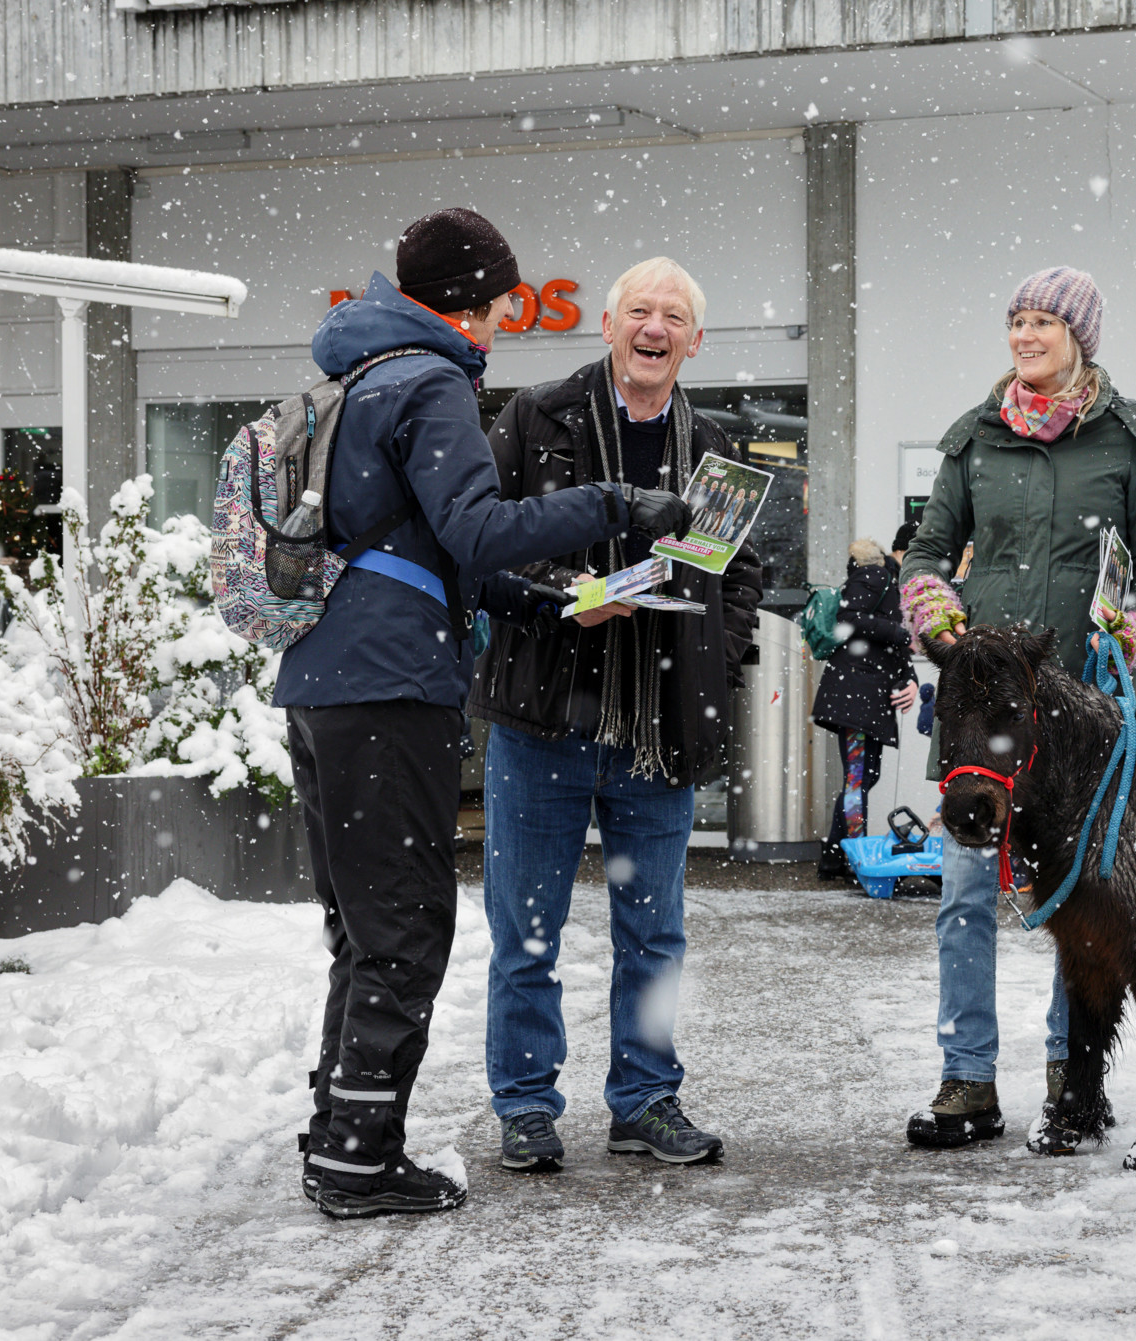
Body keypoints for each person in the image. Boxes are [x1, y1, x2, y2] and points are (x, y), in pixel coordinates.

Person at [279, 209, 694, 1221]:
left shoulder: (356, 370)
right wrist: (608, 506)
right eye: (504, 295)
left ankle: (341, 1132)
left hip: (327, 674)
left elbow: (427, 542)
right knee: (405, 927)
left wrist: (560, 594)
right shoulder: (426, 377)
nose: (510, 313)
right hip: (386, 683)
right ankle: (355, 1162)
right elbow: (474, 532)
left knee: (363, 925)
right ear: (474, 292)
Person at [469, 257, 763, 1174]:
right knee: (526, 928)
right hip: (543, 716)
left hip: (659, 725)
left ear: (695, 340)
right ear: (607, 324)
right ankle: (525, 1105)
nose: (656, 327)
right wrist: (567, 595)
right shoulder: (534, 416)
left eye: (675, 315)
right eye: (641, 309)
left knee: (655, 930)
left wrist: (720, 654)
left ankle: (644, 1097)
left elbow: (739, 578)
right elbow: (477, 546)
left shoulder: (716, 444)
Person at [899, 265, 1136, 1151]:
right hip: (988, 711)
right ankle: (968, 1078)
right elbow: (929, 551)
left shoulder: (1129, 443)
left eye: (1043, 323)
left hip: (1089, 716)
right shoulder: (974, 438)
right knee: (966, 892)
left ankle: (1075, 1072)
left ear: (1080, 337)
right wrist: (933, 607)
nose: (1026, 336)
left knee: (1085, 901)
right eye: (1016, 320)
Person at [812, 537, 919, 882]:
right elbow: (849, 616)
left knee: (864, 777)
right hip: (856, 691)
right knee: (857, 780)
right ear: (902, 550)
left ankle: (834, 858)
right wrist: (899, 631)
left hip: (867, 694)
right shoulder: (875, 575)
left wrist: (910, 677)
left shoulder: (894, 583)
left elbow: (895, 646)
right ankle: (855, 863)